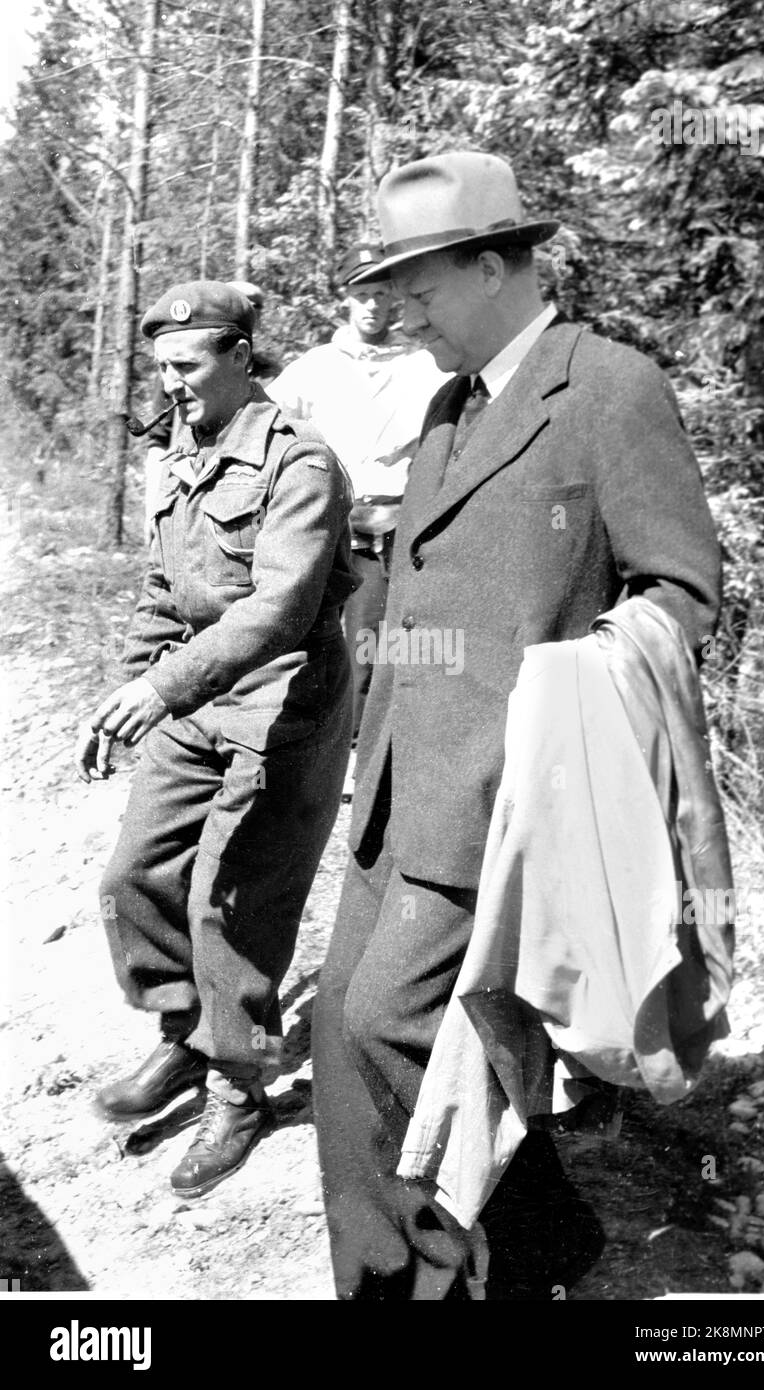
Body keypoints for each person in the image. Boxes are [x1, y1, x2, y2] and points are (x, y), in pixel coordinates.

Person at [311, 151, 724, 1299]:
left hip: (501, 800)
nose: (396, 311)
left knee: (392, 1023)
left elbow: (681, 590)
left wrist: (565, 697)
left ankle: (526, 1243)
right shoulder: (449, 403)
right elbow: (426, 588)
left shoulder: (605, 387)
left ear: (495, 265)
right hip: (394, 783)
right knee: (343, 1054)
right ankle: (378, 1279)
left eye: (418, 285)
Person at [75, 280, 358, 1199]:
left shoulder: (301, 463)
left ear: (240, 356)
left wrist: (163, 686)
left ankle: (239, 1089)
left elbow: (280, 611)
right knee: (134, 880)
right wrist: (129, 690)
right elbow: (166, 590)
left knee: (228, 905)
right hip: (192, 703)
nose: (172, 384)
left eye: (187, 366)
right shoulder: (177, 452)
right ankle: (182, 1036)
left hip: (281, 708)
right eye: (159, 368)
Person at [269, 244, 448, 791]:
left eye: (380, 295)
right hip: (339, 526)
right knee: (342, 641)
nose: (371, 306)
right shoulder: (316, 367)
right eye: (361, 295)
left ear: (394, 300)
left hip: (407, 524)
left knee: (410, 639)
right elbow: (268, 425)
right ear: (346, 299)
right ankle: (342, 753)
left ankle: (396, 749)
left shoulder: (423, 365)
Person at [142, 280, 279, 541]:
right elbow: (158, 441)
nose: (172, 384)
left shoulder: (271, 373)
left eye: (255, 308)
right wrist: (153, 504)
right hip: (185, 483)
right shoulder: (175, 372)